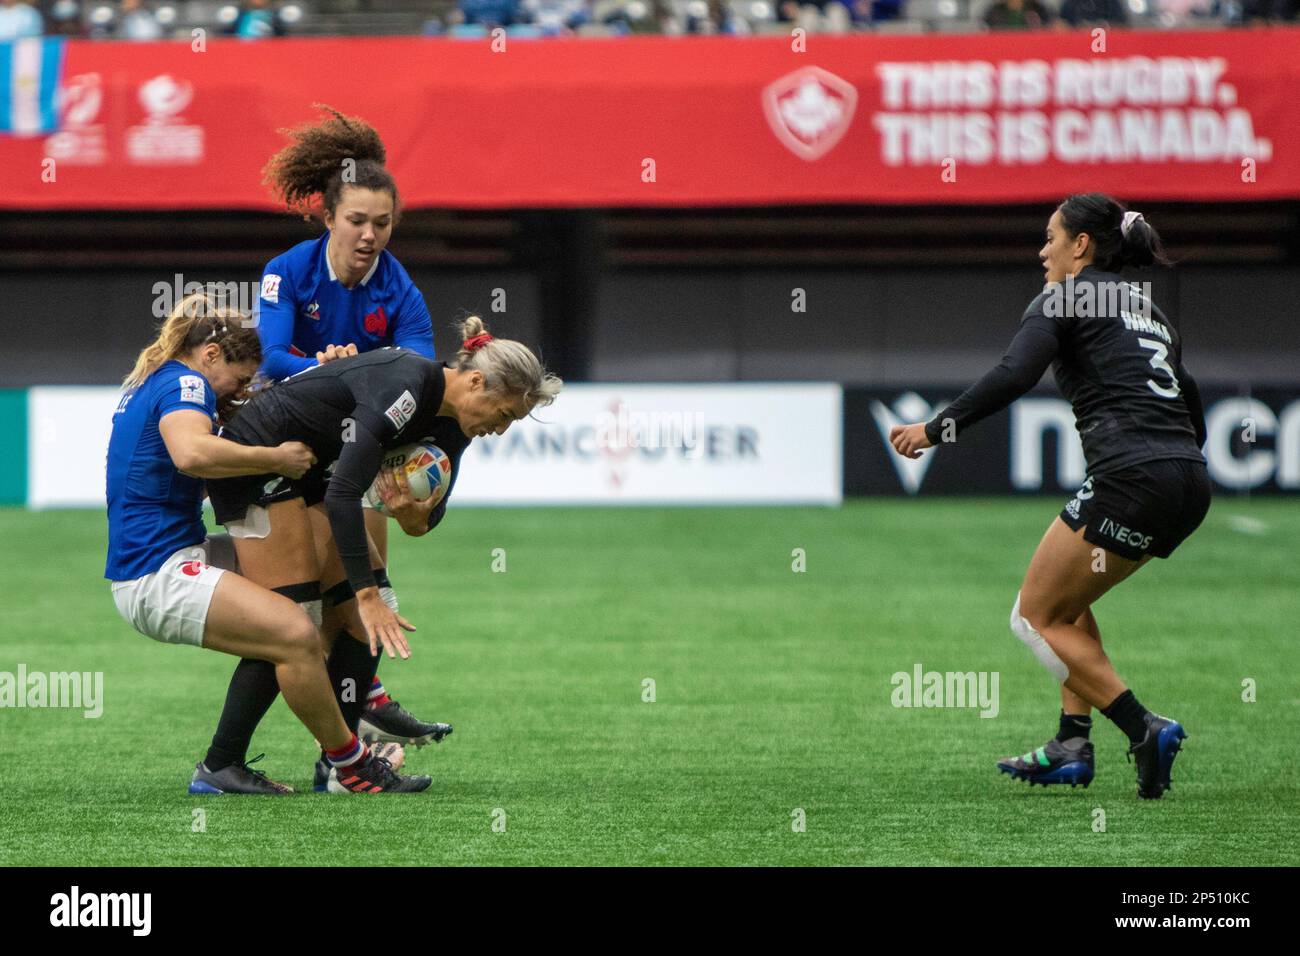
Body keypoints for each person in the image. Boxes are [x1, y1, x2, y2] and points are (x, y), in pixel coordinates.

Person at [888, 194, 1210, 800]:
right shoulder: (1152, 313)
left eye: (1051, 237)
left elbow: (1014, 374)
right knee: (1066, 604)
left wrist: (935, 429)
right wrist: (1176, 464)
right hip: (1188, 480)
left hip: (1131, 478)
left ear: (1081, 245)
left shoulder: (1065, 298)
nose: (1043, 251)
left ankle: (1145, 728)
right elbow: (1189, 401)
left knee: (1032, 618)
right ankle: (1070, 743)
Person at [201, 316, 561, 792]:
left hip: (310, 473)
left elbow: (426, 518)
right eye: (505, 414)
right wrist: (364, 591)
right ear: (476, 381)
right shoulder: (407, 384)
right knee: (295, 621)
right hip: (261, 455)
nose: (501, 428)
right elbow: (345, 493)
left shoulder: (457, 427)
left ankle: (339, 770)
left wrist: (412, 517)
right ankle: (220, 765)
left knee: (364, 617)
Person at [106, 292, 422, 795]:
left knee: (308, 583)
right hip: (156, 575)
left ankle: (233, 762)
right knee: (295, 632)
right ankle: (350, 761)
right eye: (237, 378)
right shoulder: (187, 381)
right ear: (210, 355)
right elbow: (190, 453)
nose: (239, 389)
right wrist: (273, 458)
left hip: (175, 554)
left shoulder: (162, 380)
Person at [246, 103, 447, 751]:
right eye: (356, 220)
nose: (369, 235)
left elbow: (420, 369)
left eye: (382, 223)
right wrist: (330, 370)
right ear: (327, 216)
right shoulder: (287, 272)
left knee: (365, 593)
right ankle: (356, 720)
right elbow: (273, 360)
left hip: (354, 453)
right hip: (283, 455)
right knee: (318, 611)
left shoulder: (399, 287)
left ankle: (355, 726)